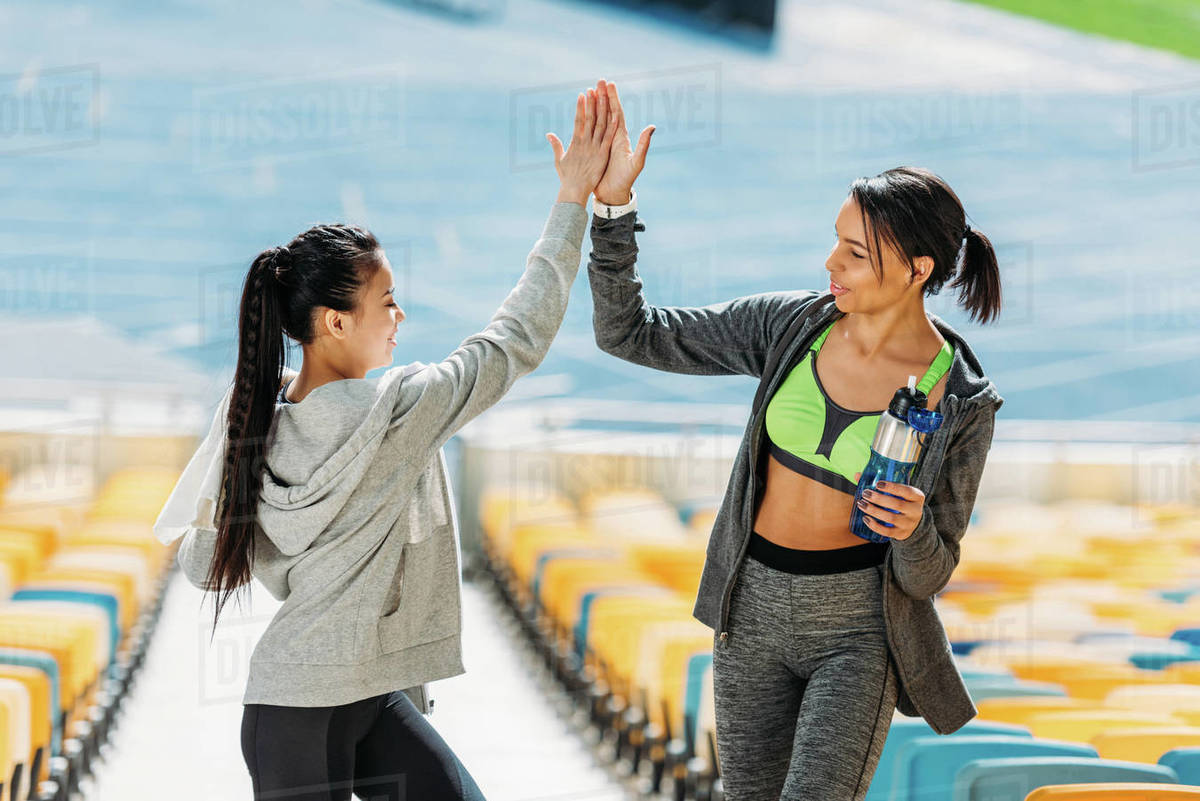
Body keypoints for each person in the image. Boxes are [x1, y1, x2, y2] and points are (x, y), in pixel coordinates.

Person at [152, 80, 619, 801]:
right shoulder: (402, 409)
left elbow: (204, 565)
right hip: (311, 709)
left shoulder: (253, 414)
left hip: (323, 699)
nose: (400, 313)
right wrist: (572, 203)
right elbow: (516, 338)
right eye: (387, 300)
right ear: (336, 321)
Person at [586, 81, 1005, 800]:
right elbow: (631, 332)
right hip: (749, 611)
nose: (829, 264)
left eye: (854, 253)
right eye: (834, 244)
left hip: (859, 633)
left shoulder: (962, 400)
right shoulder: (787, 326)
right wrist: (613, 212)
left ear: (917, 270)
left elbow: (930, 572)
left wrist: (910, 531)